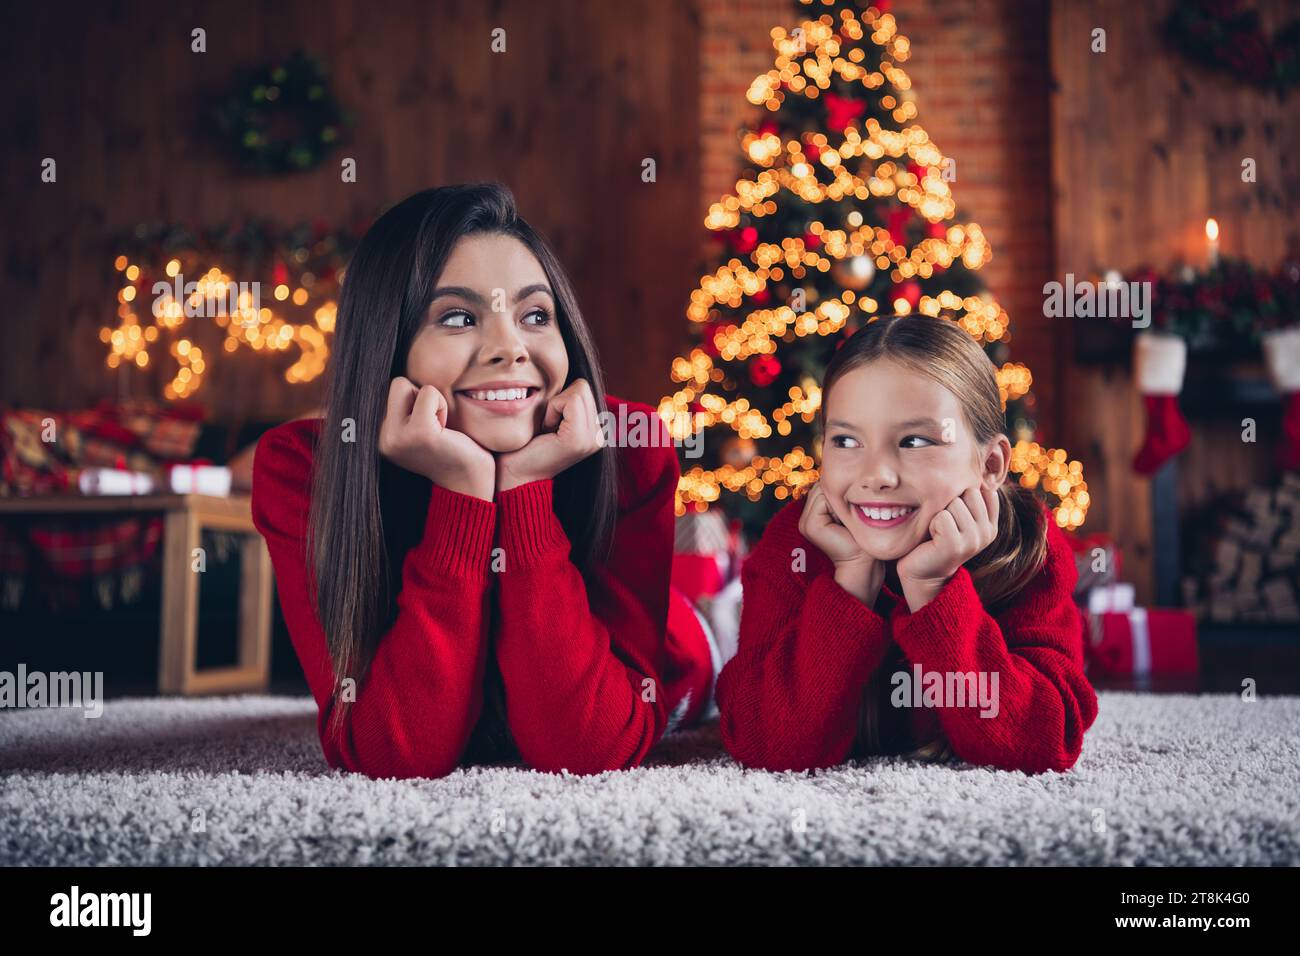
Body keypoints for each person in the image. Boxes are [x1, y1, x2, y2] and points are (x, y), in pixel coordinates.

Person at [252, 184, 713, 780]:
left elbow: (590, 749)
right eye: (459, 317)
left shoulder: (631, 446)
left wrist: (522, 491)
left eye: (536, 315)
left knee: (709, 619)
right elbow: (394, 752)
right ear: (387, 349)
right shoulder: (304, 470)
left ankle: (714, 592)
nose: (510, 348)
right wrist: (462, 496)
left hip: (678, 649)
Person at [716, 314, 1099, 774]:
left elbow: (1044, 742)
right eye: (845, 440)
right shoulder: (794, 544)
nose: (876, 475)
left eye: (915, 441)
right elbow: (765, 744)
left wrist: (933, 592)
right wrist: (850, 581)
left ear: (991, 464)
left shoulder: (1028, 545)